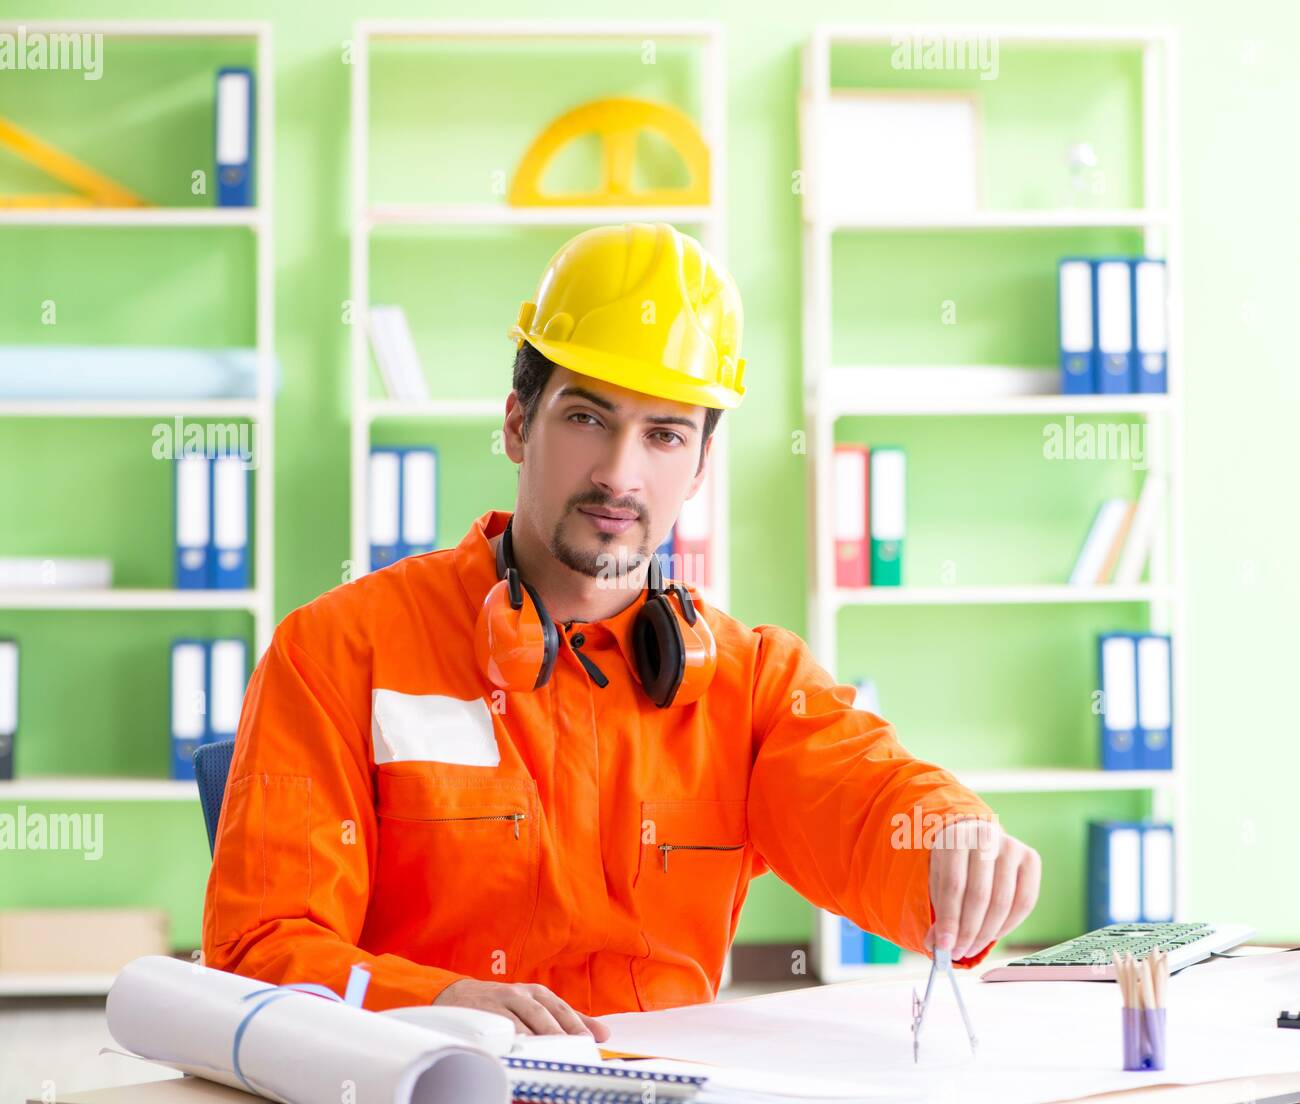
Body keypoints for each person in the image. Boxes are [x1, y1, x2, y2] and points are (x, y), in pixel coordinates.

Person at [202, 221, 1040, 1055]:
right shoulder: (339, 653)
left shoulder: (748, 683)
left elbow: (870, 804)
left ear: (701, 465)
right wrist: (444, 1005)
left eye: (665, 434)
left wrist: (954, 843)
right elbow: (260, 955)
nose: (619, 473)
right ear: (517, 426)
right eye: (587, 418)